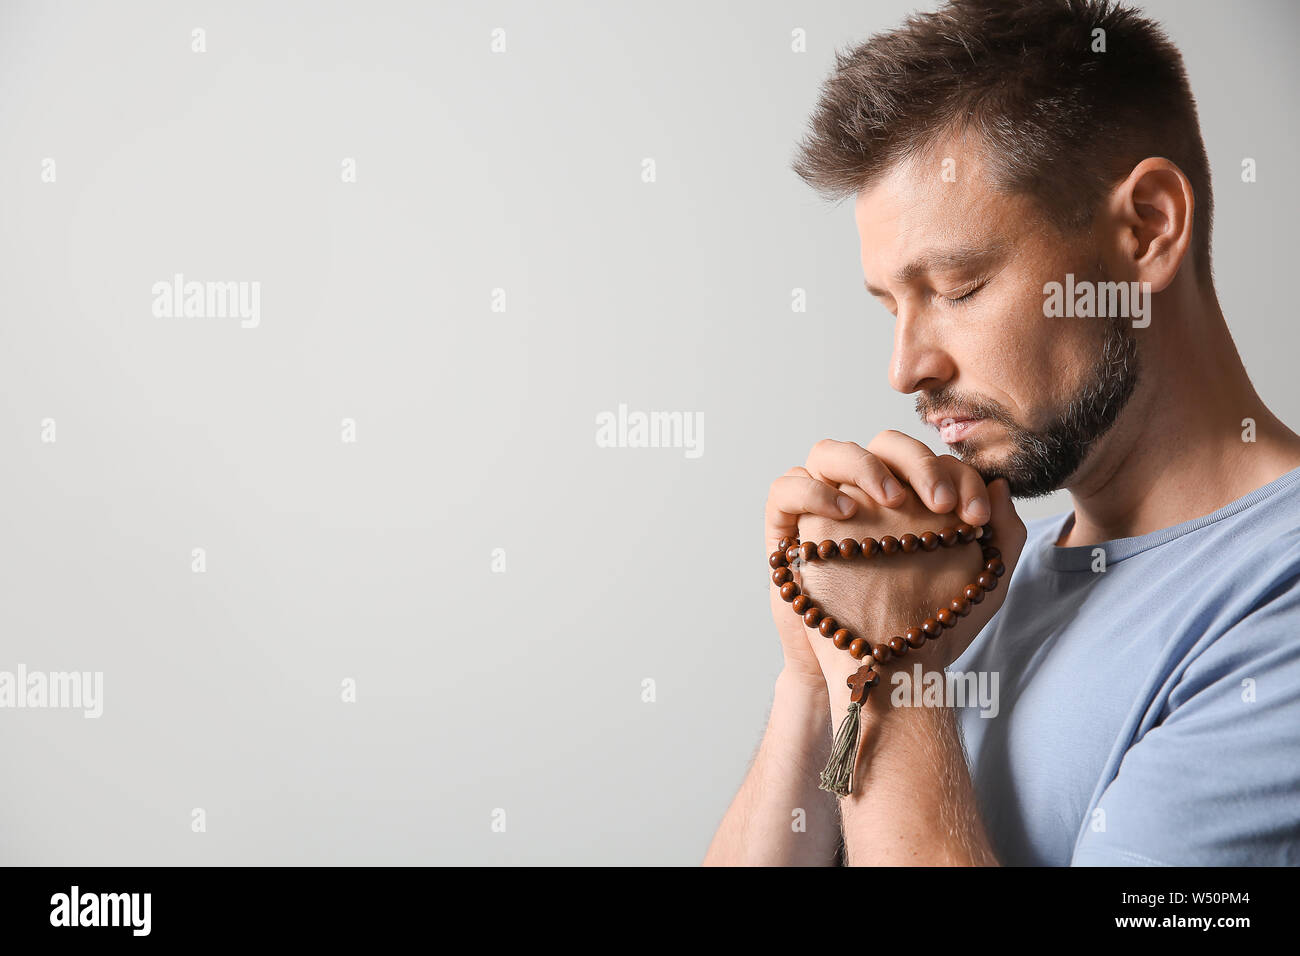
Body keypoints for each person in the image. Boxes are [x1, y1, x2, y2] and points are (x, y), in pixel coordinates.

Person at [705, 0, 1300, 866]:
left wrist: (894, 673)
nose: (906, 369)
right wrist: (820, 659)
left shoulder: (1275, 603)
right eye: (889, 305)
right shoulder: (958, 584)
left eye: (956, 286)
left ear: (1148, 230)